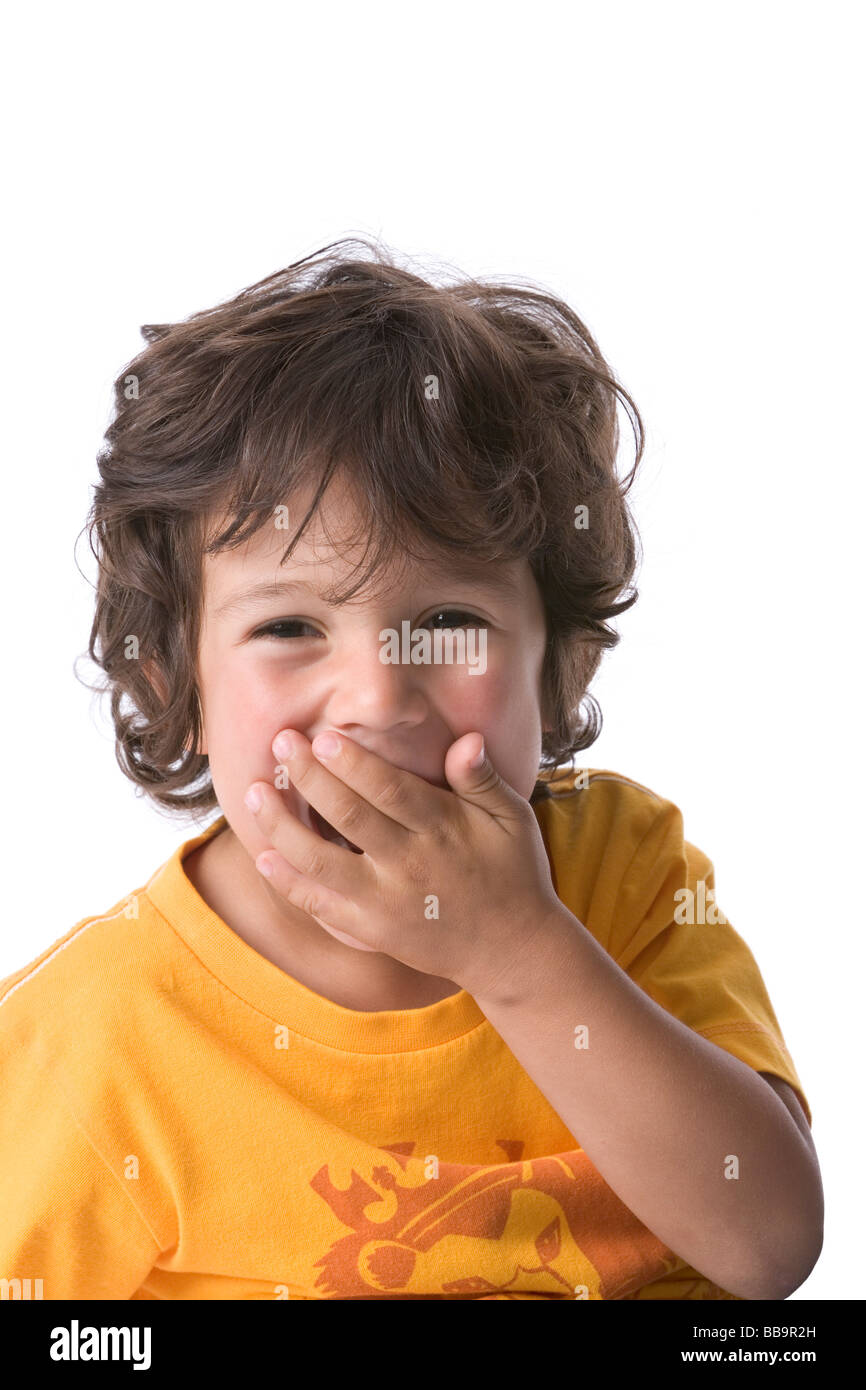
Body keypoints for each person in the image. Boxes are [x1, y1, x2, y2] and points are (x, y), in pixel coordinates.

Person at [0, 238, 822, 1300]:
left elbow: (766, 1248)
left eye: (446, 621)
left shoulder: (625, 872)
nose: (380, 697)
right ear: (174, 686)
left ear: (558, 668)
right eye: (291, 624)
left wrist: (519, 949)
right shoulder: (91, 1036)